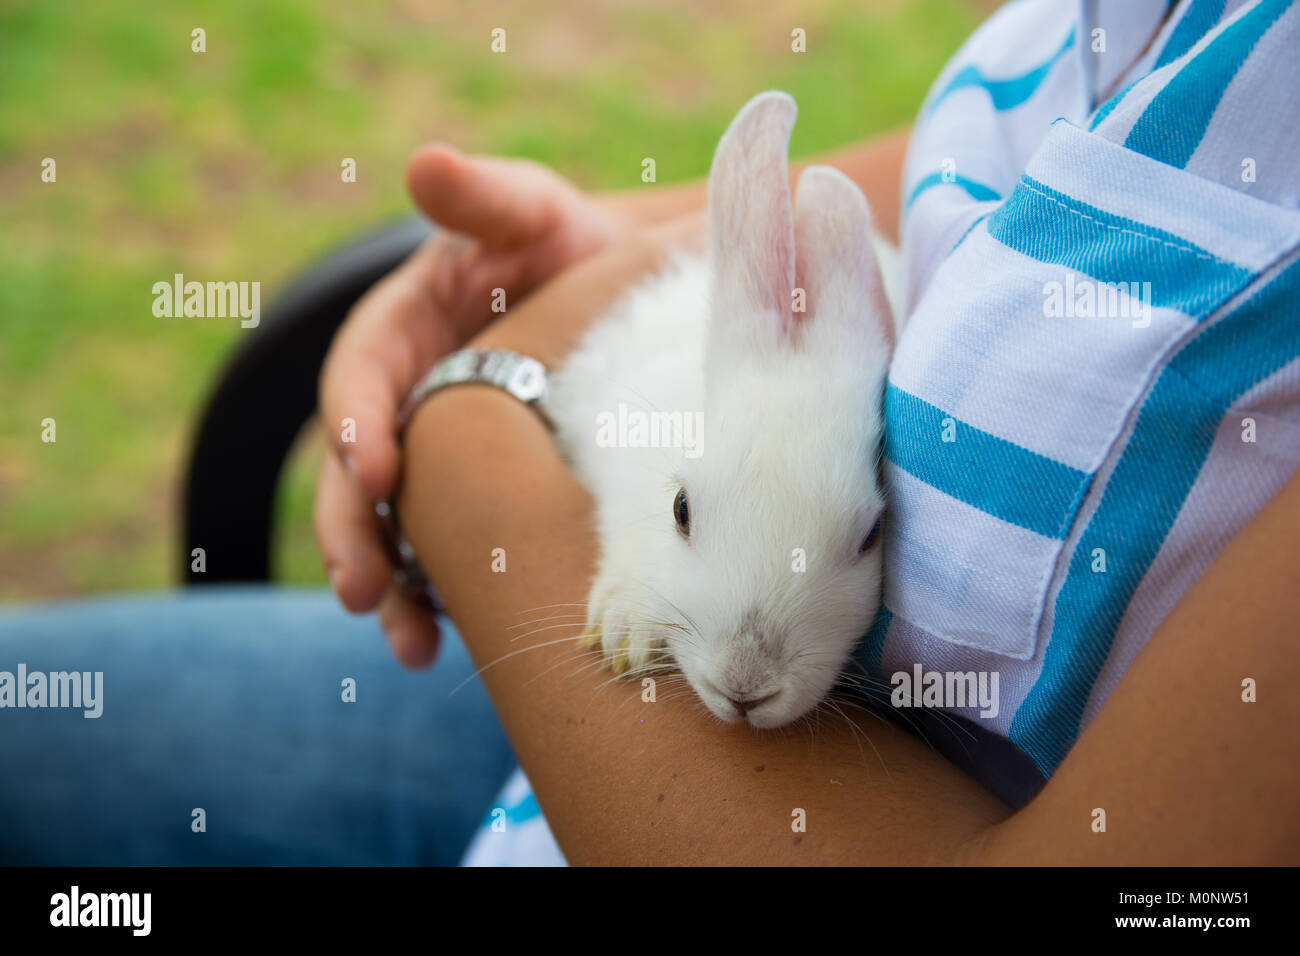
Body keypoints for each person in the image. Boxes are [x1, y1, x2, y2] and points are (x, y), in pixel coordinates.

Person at [3, 0, 1296, 866]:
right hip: (555, 701)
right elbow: (993, 172)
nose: (749, 684)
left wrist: (462, 429)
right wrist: (600, 247)